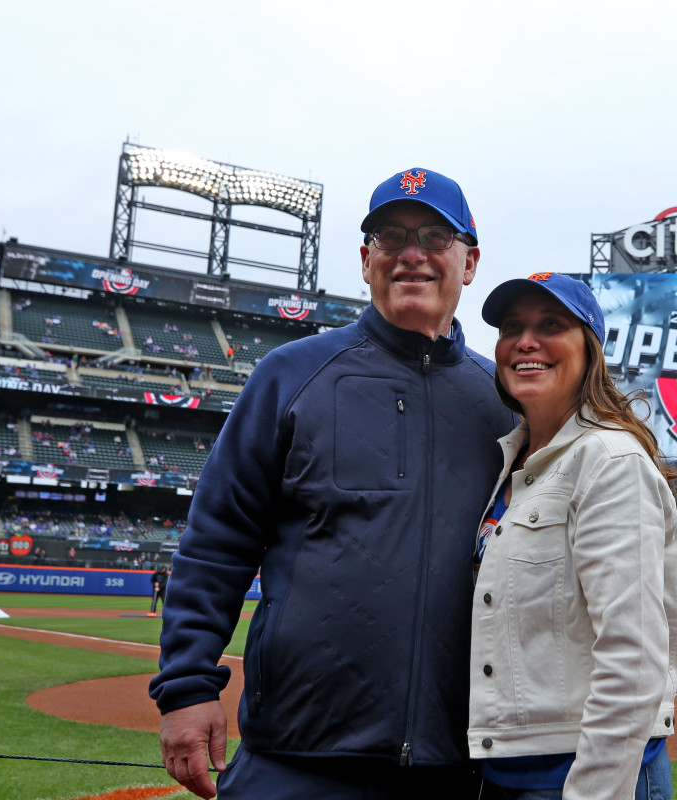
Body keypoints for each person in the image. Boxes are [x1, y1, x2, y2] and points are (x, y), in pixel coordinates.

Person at [148, 168, 515, 800]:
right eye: (390, 236)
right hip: (295, 755)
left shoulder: (504, 404)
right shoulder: (292, 374)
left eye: (435, 237)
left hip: (453, 764)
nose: (412, 254)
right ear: (366, 260)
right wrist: (186, 688)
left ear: (470, 263)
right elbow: (217, 540)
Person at [470, 273, 677, 800]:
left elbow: (634, 660)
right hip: (504, 771)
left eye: (551, 325)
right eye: (512, 327)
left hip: (579, 773)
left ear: (589, 349)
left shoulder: (610, 460)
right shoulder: (512, 462)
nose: (526, 341)